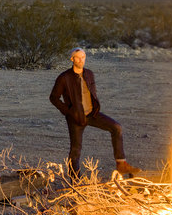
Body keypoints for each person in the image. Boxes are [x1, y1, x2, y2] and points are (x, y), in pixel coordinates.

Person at [49, 47, 138, 177]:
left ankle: (121, 164)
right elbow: (53, 98)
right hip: (76, 117)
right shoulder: (64, 77)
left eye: (83, 57)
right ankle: (75, 180)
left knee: (116, 127)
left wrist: (95, 107)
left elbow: (92, 93)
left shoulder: (89, 74)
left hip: (92, 114)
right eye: (78, 57)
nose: (81, 60)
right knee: (75, 150)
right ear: (72, 59)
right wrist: (68, 112)